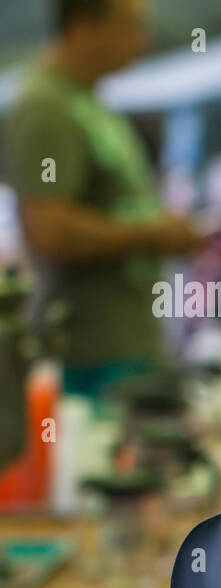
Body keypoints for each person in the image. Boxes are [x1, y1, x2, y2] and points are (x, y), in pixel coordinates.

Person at [4, 0, 205, 399]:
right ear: (81, 27)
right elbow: (48, 228)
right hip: (90, 355)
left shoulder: (88, 103)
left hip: (123, 345)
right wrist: (152, 234)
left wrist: (157, 228)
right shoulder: (45, 107)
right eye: (129, 26)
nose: (141, 42)